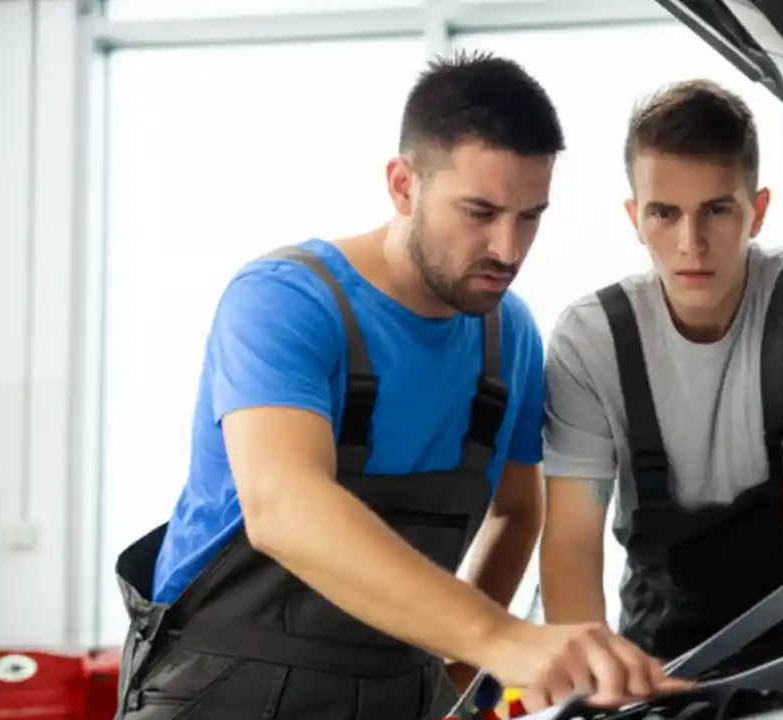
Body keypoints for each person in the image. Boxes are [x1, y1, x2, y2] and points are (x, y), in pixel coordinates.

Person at [112, 51, 687, 719]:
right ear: (403, 185)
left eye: (530, 215)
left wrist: (457, 674)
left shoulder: (510, 339)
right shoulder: (284, 300)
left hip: (400, 693)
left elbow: (517, 511)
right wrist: (503, 639)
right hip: (221, 689)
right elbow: (283, 506)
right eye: (480, 211)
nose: (508, 247)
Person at [538, 79, 783, 664]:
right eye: (664, 214)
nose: (690, 243)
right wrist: (592, 696)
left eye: (716, 211)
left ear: (758, 211)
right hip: (651, 660)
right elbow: (572, 544)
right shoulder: (590, 340)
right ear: (634, 217)